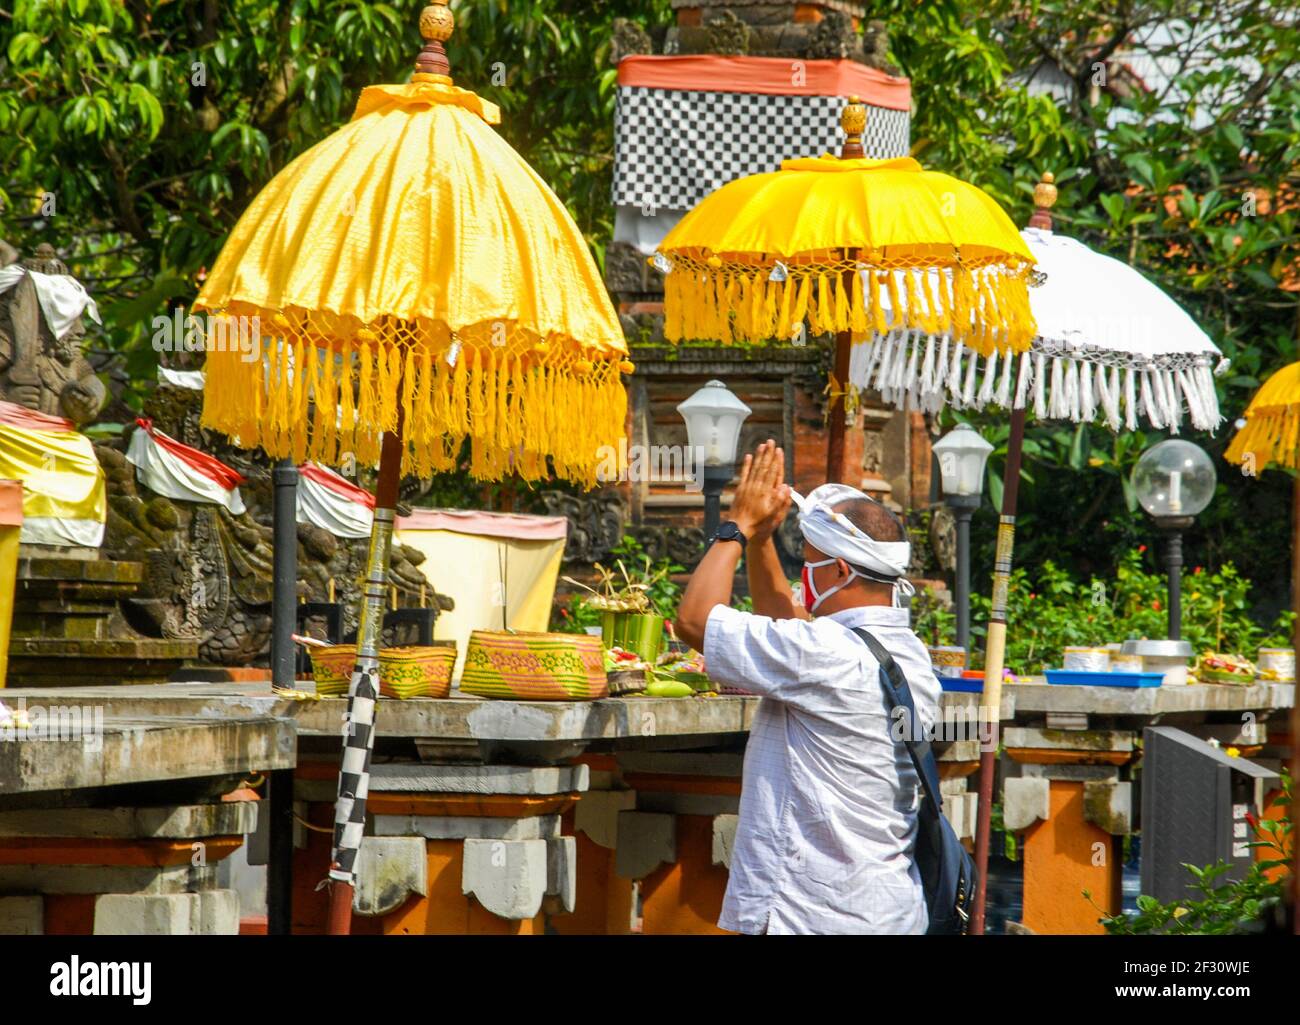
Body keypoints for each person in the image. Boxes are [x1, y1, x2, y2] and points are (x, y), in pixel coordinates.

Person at [674, 439, 941, 935]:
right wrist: (762, 542)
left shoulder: (825, 655)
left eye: (809, 563)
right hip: (887, 909)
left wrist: (737, 527)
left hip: (815, 915)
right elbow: (787, 626)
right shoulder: (908, 654)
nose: (803, 578)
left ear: (839, 571)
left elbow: (693, 621)